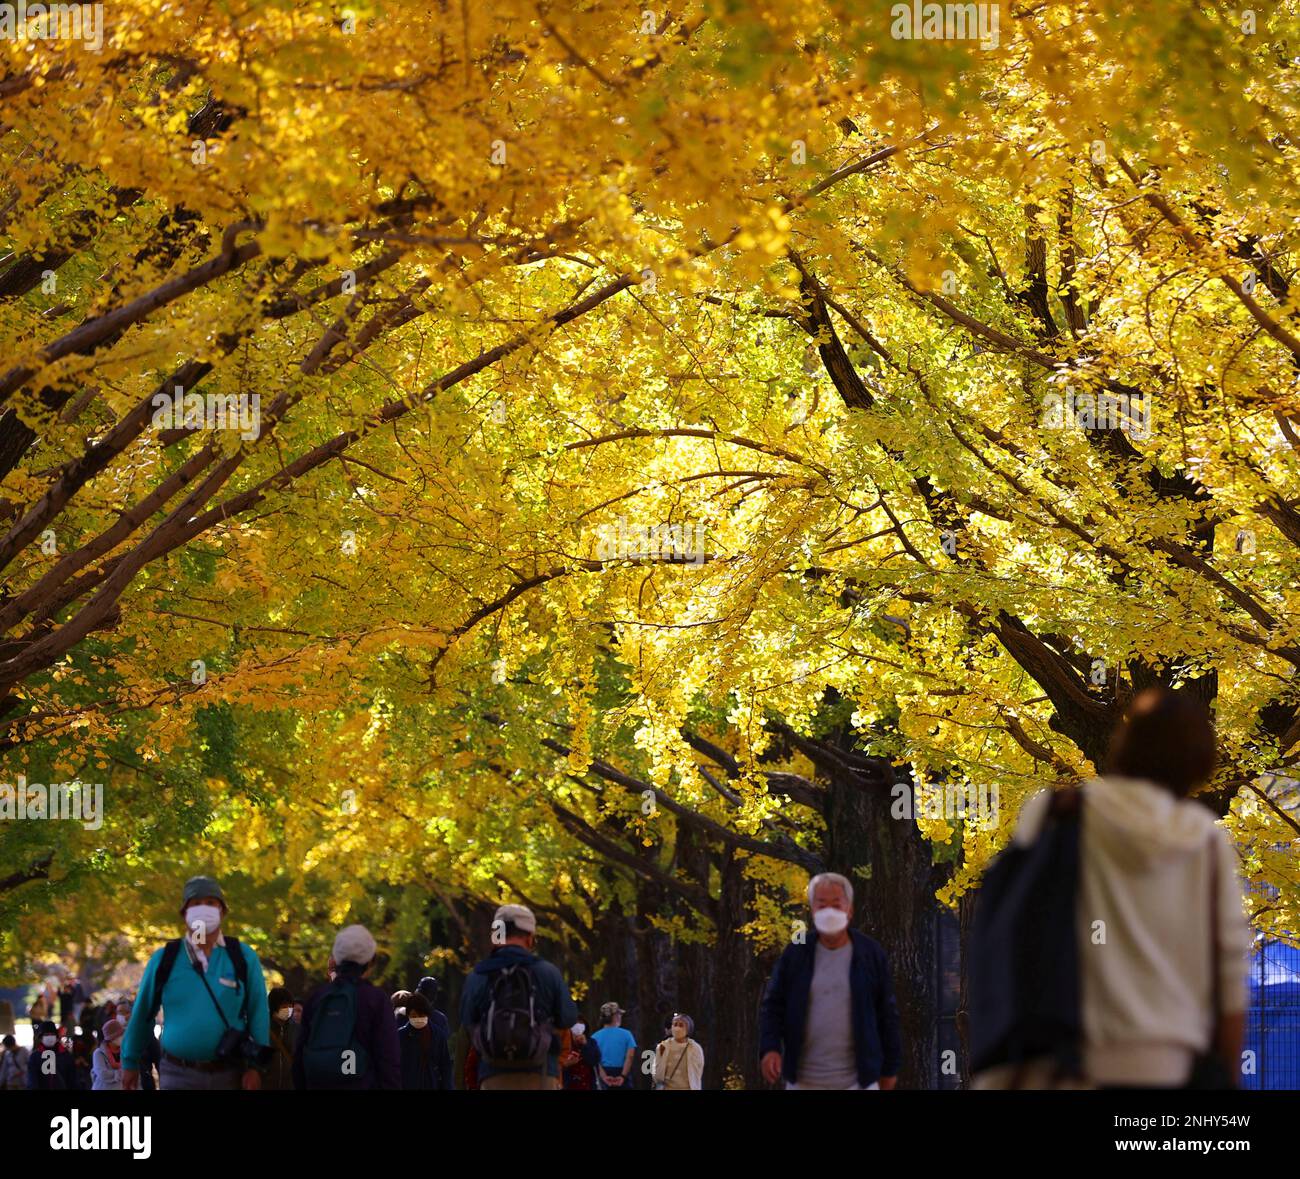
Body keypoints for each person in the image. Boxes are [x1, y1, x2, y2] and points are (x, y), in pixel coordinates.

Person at [975, 688, 1251, 1089]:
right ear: (1198, 763)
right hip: (1159, 1061)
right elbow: (1228, 973)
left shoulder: (1058, 811)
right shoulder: (1204, 843)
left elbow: (1011, 916)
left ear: (1125, 745)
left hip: (1054, 1055)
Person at [121, 875, 271, 1091]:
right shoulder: (165, 959)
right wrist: (130, 1060)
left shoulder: (243, 956)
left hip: (230, 1074)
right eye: (196, 903)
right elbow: (143, 1013)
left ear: (222, 911)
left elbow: (258, 1012)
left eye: (211, 903)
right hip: (176, 1073)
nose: (203, 909)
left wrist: (256, 1067)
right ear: (184, 913)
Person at [759, 871, 902, 1090]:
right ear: (812, 910)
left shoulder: (870, 954)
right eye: (822, 904)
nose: (829, 911)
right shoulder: (796, 954)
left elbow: (887, 1014)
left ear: (850, 909)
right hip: (803, 1082)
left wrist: (889, 1069)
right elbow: (773, 1005)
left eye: (836, 904)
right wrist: (770, 1048)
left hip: (858, 1082)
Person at [460, 903, 579, 1090]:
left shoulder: (478, 975)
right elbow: (568, 1017)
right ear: (530, 938)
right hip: (541, 1074)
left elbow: (467, 1020)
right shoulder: (547, 972)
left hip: (493, 1076)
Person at [294, 925, 401, 1090]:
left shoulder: (317, 998)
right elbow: (388, 1059)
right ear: (370, 960)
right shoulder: (376, 1000)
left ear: (336, 958)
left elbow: (299, 1055)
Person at [398, 993, 453, 1090]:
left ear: (427, 1014)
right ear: (408, 1015)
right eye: (414, 1015)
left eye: (421, 1015)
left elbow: (445, 1066)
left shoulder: (438, 1035)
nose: (418, 1019)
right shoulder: (401, 1036)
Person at [592, 1001, 637, 1090]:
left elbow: (595, 1060)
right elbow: (630, 1056)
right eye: (619, 1015)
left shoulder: (594, 1037)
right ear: (615, 1016)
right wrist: (623, 1076)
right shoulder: (627, 1034)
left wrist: (604, 1077)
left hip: (604, 1073)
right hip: (622, 1070)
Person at [654, 1013, 704, 1090]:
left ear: (688, 1029)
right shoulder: (662, 1046)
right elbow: (657, 1071)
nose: (677, 1028)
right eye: (675, 1024)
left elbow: (697, 1072)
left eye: (681, 1025)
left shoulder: (695, 1048)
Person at [264, 987, 298, 1091]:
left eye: (290, 1006)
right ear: (274, 1007)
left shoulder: (297, 1029)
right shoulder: (262, 1028)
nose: (288, 1010)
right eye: (284, 1006)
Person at [27, 1021, 75, 1090]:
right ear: (41, 1038)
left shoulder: (65, 1055)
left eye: (52, 1034)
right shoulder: (35, 1057)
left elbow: (72, 1079)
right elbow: (32, 1081)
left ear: (56, 1037)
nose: (49, 1037)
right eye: (46, 1035)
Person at [559, 1018, 600, 1090]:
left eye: (581, 1023)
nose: (578, 1026)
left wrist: (585, 1045)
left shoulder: (591, 1042)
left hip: (588, 1084)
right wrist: (566, 1064)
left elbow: (594, 1061)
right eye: (575, 1023)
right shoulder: (563, 1042)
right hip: (568, 1084)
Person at [91, 1018, 125, 1090]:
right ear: (112, 1038)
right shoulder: (98, 1053)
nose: (123, 1037)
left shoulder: (125, 1051)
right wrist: (124, 1073)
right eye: (120, 1035)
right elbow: (103, 1074)